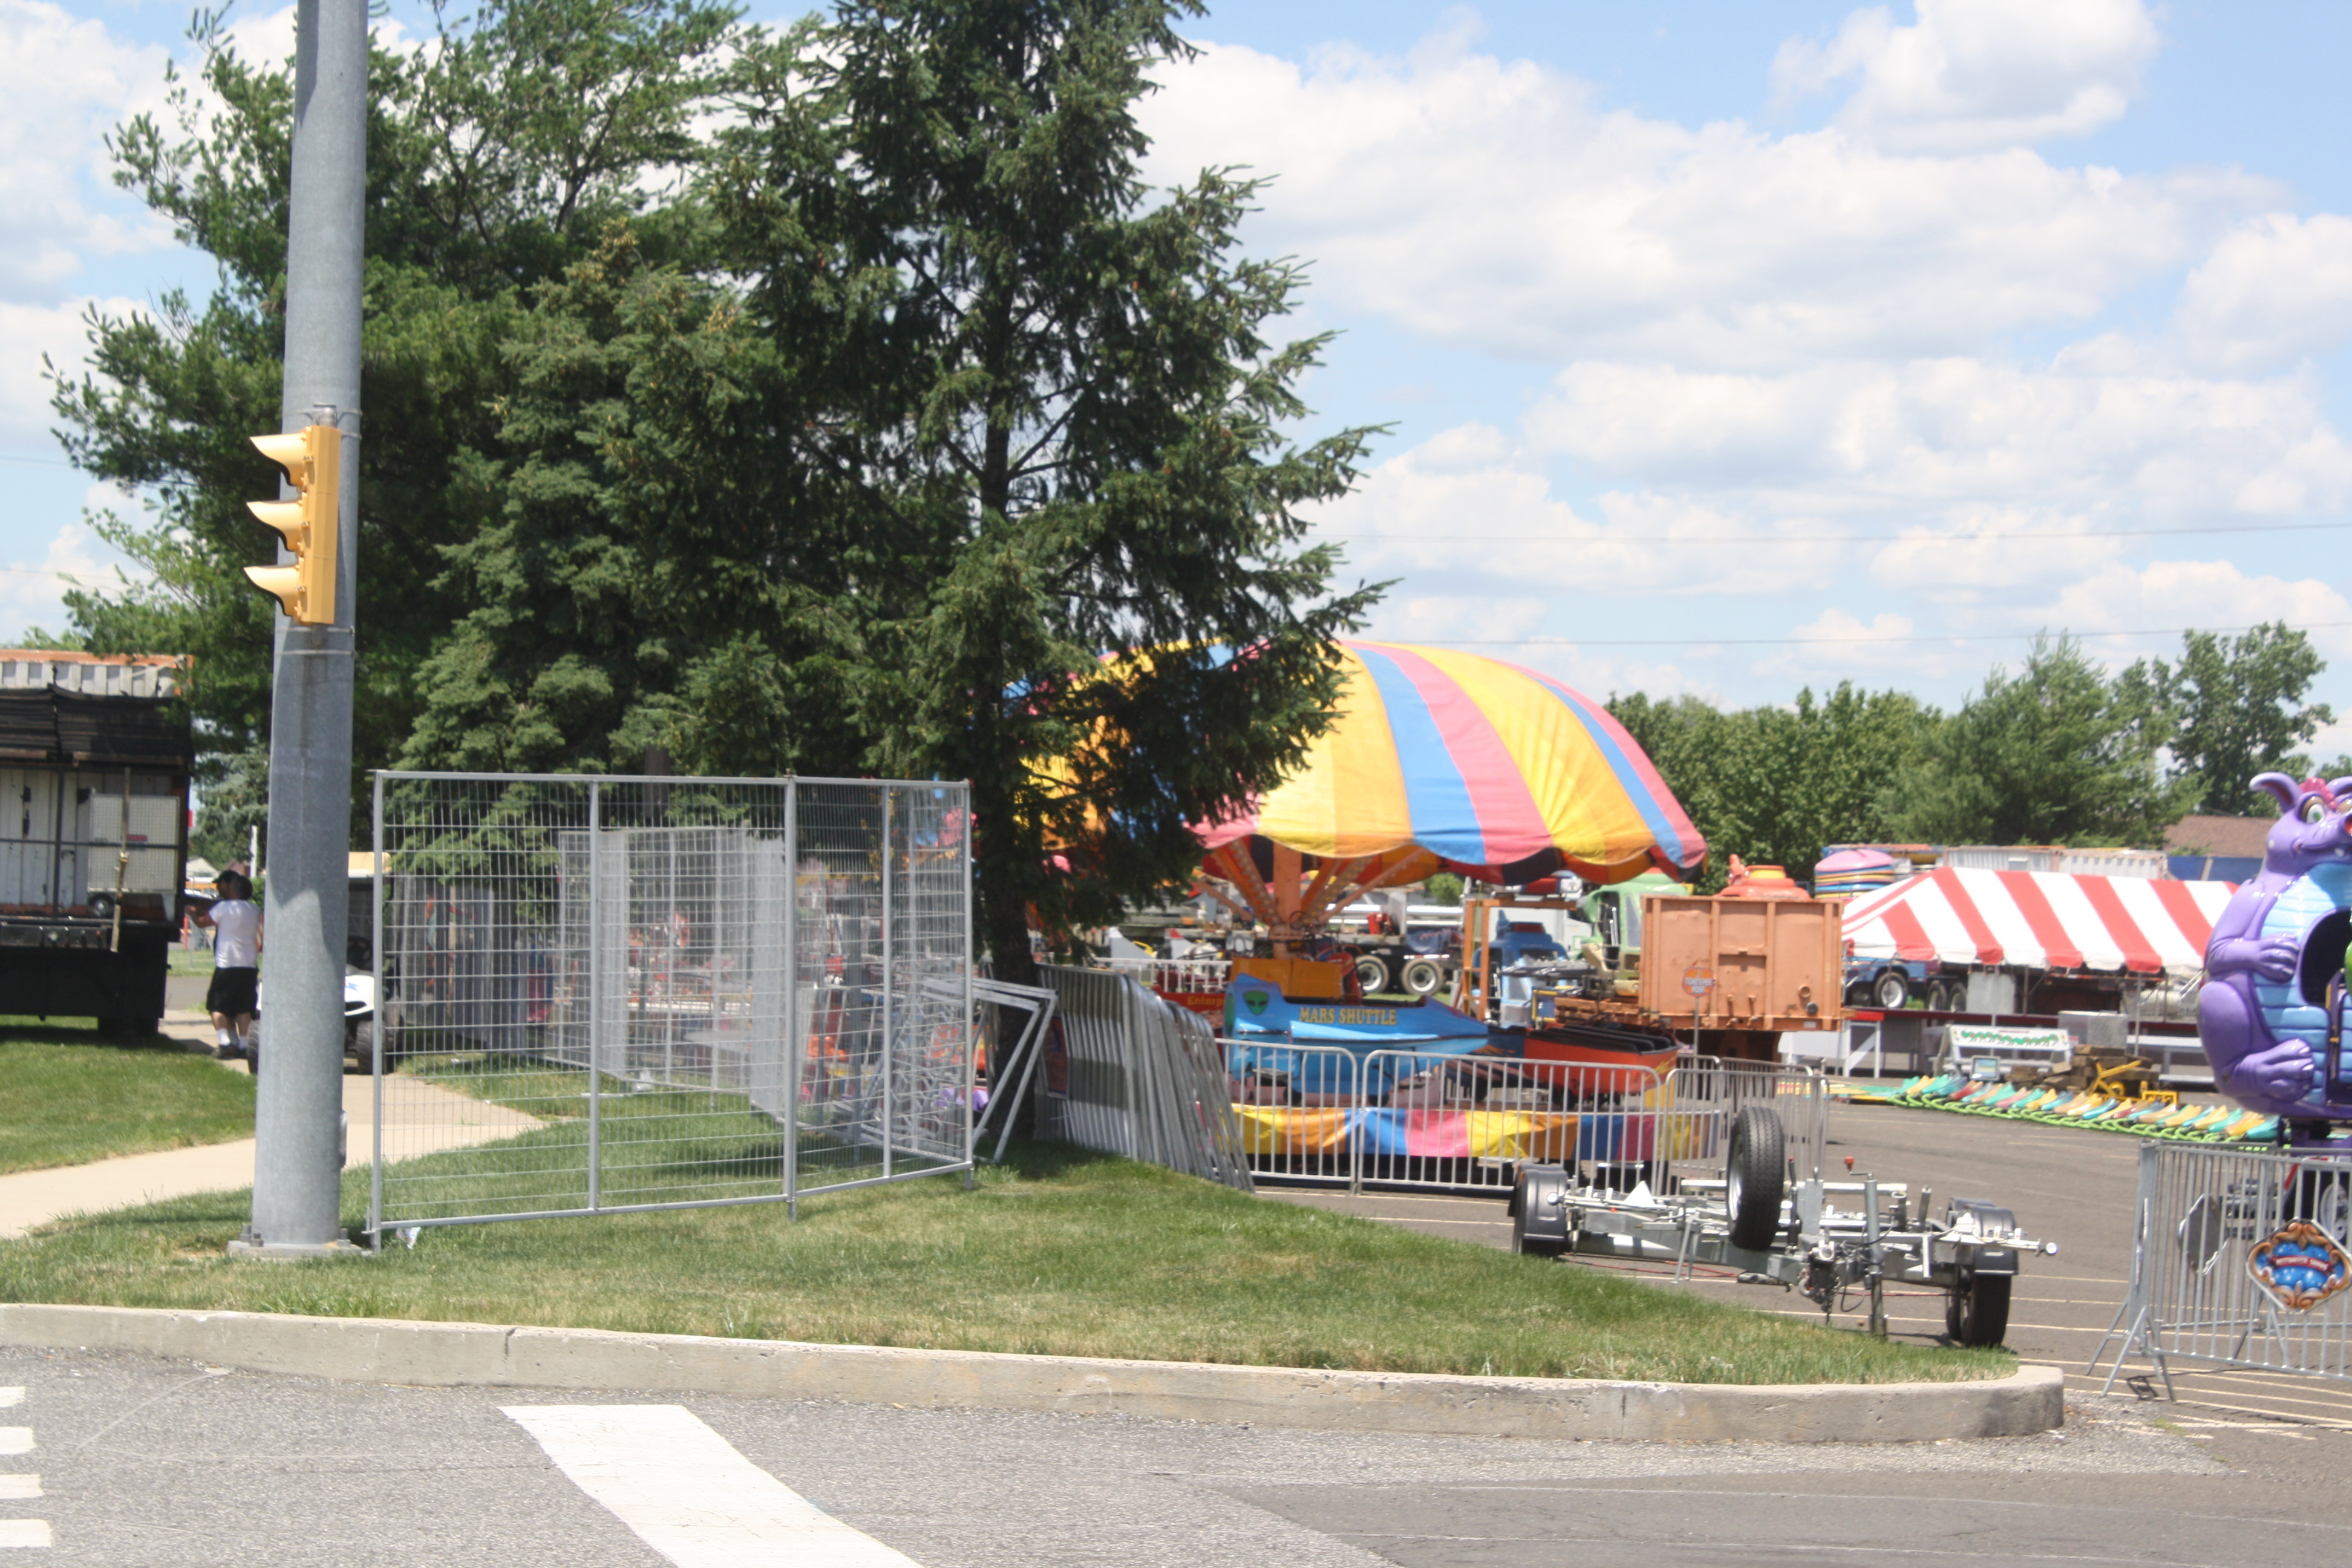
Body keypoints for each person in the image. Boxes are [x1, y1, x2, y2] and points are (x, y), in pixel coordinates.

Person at [195, 869, 262, 1060]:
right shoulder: (253, 909)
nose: (219, 888)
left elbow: (202, 922)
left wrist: (192, 912)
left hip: (227, 965)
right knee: (244, 1008)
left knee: (217, 1006)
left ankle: (224, 1043)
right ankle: (244, 1045)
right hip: (249, 965)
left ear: (232, 887)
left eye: (222, 885)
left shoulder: (224, 908)